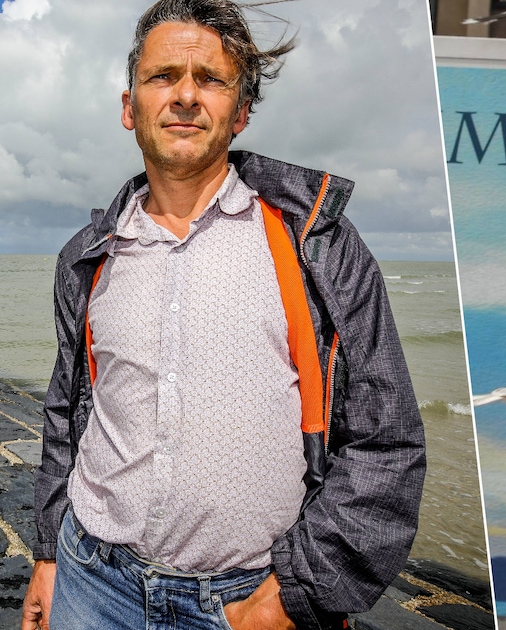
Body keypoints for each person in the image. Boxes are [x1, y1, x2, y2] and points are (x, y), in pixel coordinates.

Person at [20, 1, 426, 628]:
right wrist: (48, 552)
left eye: (210, 79)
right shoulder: (87, 257)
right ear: (130, 107)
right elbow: (67, 414)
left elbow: (387, 438)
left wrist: (296, 595)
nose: (185, 95)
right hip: (91, 583)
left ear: (240, 112)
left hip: (245, 603)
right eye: (163, 77)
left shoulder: (314, 243)